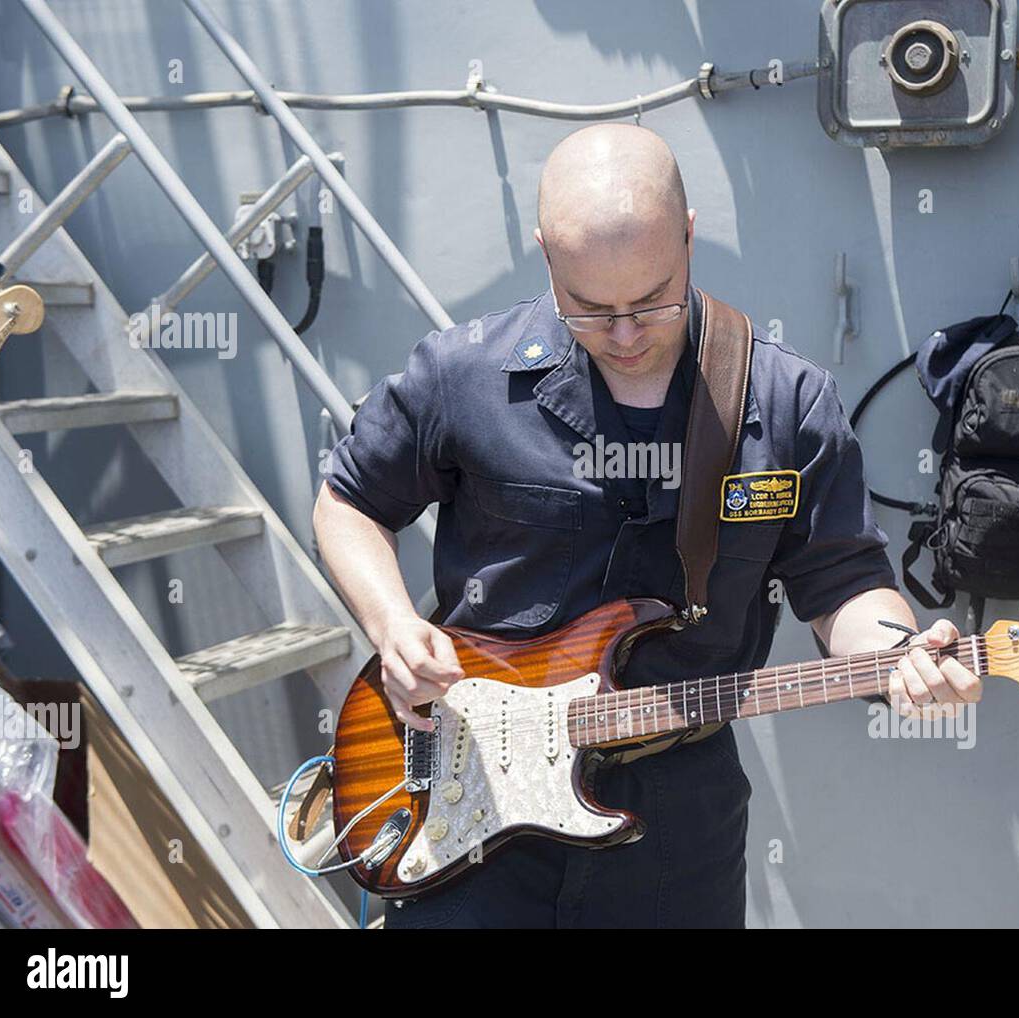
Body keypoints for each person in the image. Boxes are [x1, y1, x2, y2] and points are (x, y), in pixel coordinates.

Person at [313, 123, 981, 928]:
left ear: (691, 234)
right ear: (545, 256)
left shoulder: (786, 405)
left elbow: (842, 584)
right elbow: (349, 499)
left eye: (653, 300)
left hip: (677, 816)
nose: (625, 335)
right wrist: (391, 625)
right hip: (469, 792)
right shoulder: (463, 376)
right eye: (591, 310)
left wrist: (900, 658)